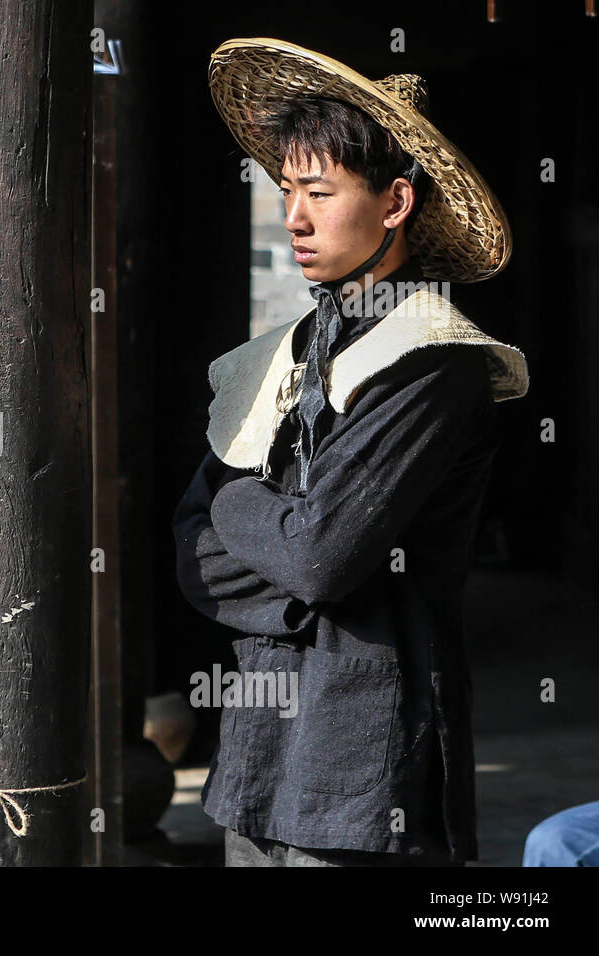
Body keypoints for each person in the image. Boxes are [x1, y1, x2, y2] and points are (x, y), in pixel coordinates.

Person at [172, 39, 529, 866]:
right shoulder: (277, 355)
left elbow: (324, 557)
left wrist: (236, 495)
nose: (294, 217)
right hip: (257, 758)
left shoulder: (433, 360)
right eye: (288, 189)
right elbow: (194, 557)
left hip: (368, 767)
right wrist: (294, 565)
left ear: (396, 201)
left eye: (321, 192)